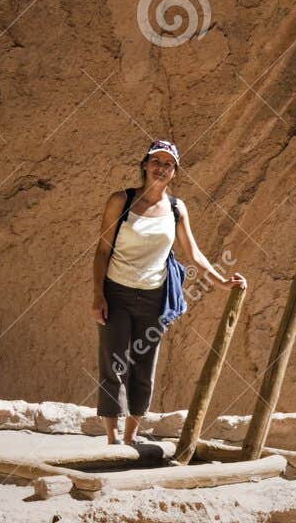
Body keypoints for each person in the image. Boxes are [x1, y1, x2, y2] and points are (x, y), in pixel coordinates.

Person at [92, 139, 247, 445]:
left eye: (168, 164)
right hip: (117, 293)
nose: (161, 168)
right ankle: (111, 439)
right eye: (156, 161)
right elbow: (101, 251)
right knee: (114, 364)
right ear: (145, 165)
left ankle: (131, 437)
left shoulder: (176, 209)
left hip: (154, 297)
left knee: (144, 368)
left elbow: (194, 253)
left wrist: (222, 282)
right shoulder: (120, 201)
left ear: (174, 172)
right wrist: (98, 295)